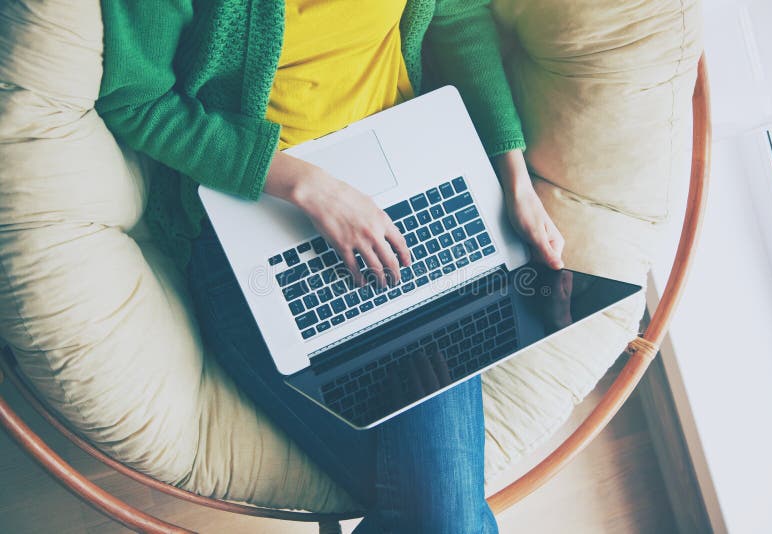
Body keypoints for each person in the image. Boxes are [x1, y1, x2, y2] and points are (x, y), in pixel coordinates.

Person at [96, 1, 564, 531]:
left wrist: (514, 177)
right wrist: (309, 186)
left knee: (437, 515)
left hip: (406, 186)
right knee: (444, 517)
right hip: (254, 206)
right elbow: (137, 100)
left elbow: (457, 17)